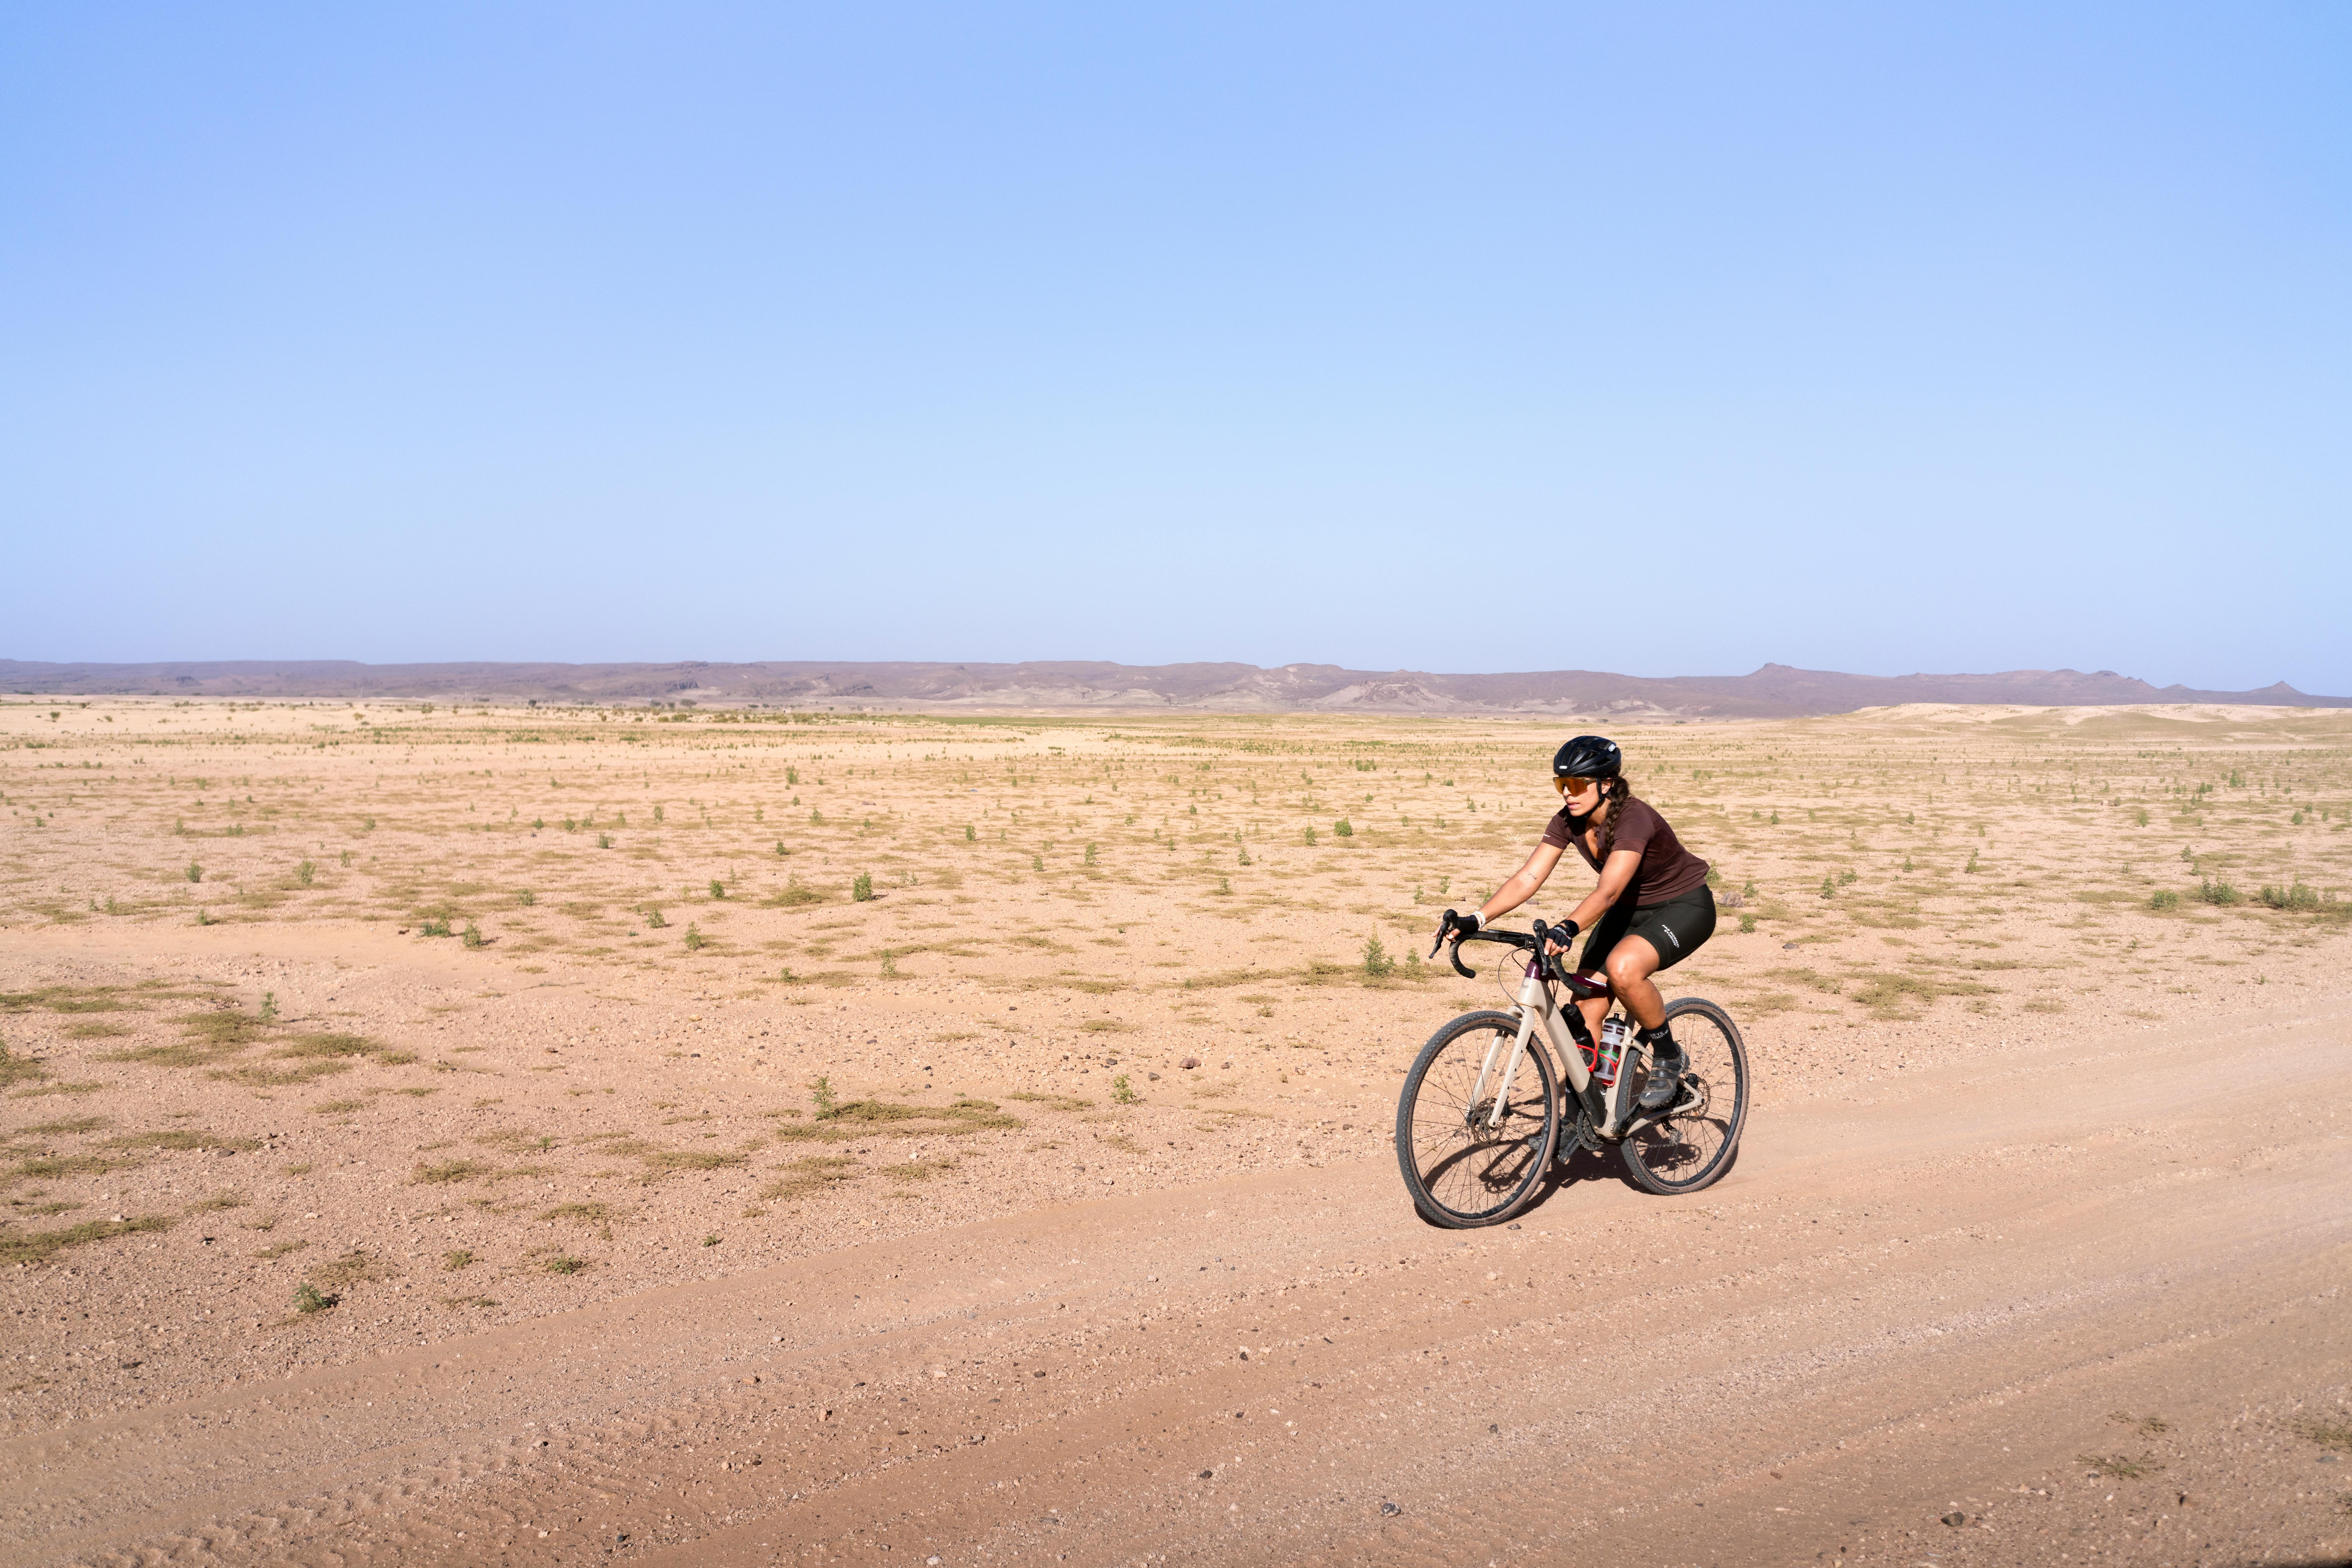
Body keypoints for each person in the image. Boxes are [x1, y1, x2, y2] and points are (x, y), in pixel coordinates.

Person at [1433, 735, 1715, 1110]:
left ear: (1607, 784)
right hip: (1626, 913)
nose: (1569, 793)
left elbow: (1608, 892)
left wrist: (1567, 927)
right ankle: (1581, 1121)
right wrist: (1476, 917)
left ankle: (1667, 1053)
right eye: (1562, 784)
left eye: (1579, 784)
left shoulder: (1634, 819)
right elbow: (1528, 878)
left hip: (1682, 905)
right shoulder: (1569, 821)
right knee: (1582, 1017)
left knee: (1623, 969)